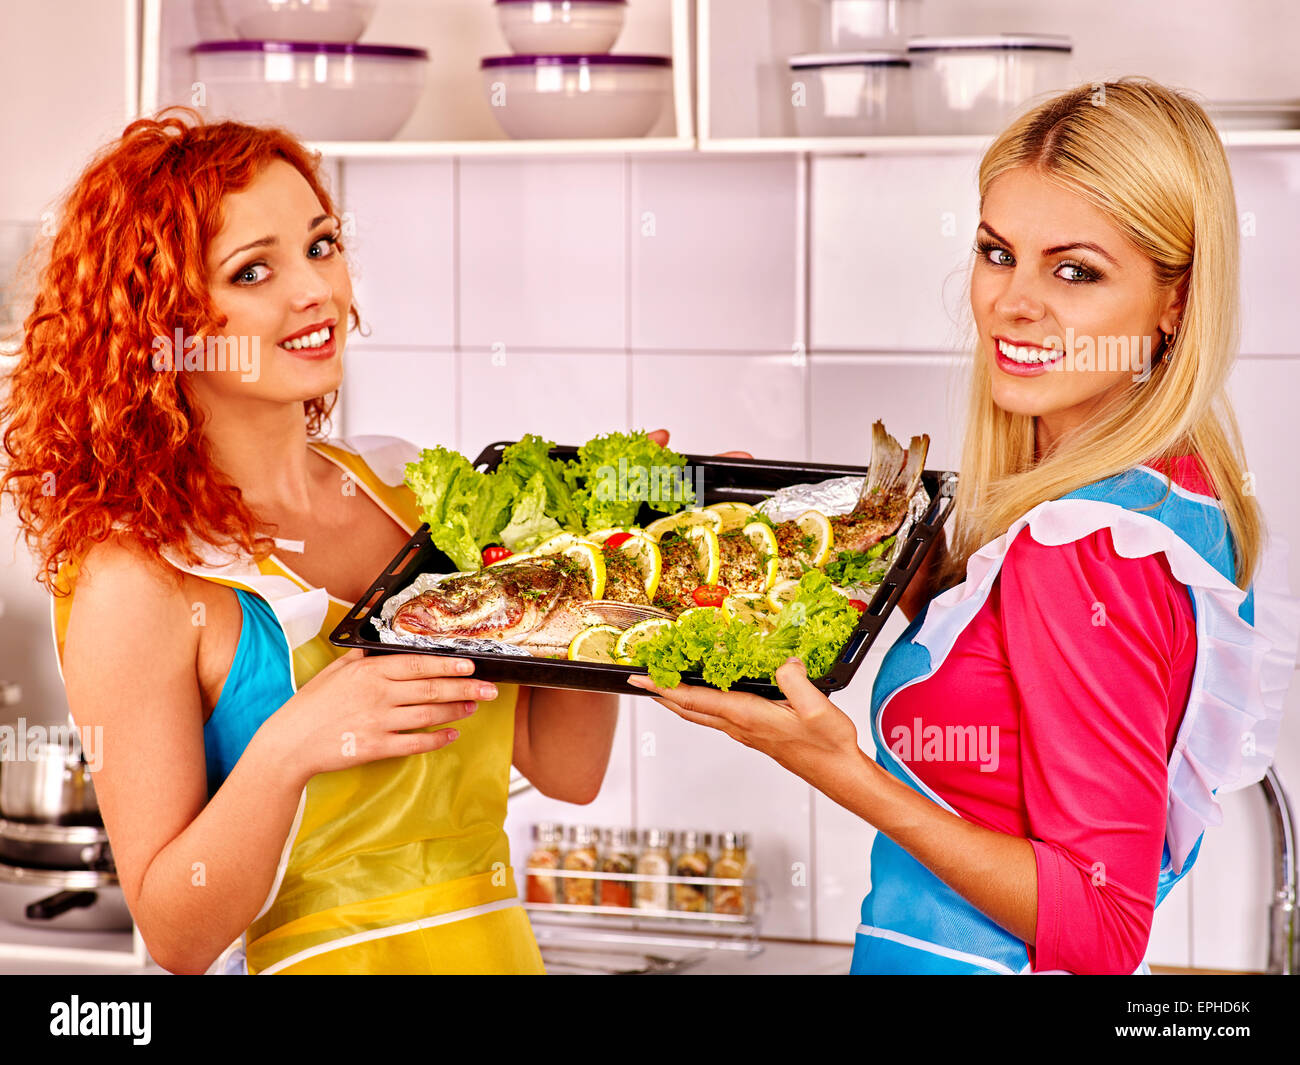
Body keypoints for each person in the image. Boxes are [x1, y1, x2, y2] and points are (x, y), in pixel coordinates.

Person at [629, 78, 1300, 974]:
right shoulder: (1170, 491)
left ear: (1175, 301)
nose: (1014, 304)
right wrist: (850, 538)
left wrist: (837, 768)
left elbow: (1102, 924)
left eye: (1076, 271)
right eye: (997, 253)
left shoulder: (1083, 548)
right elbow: (1013, 673)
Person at [0, 109, 625, 975]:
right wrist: (296, 743)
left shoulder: (414, 493)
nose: (315, 292)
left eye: (322, 245)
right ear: (159, 322)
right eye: (253, 270)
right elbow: (178, 935)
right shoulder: (139, 580)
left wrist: (609, 568)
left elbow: (566, 767)